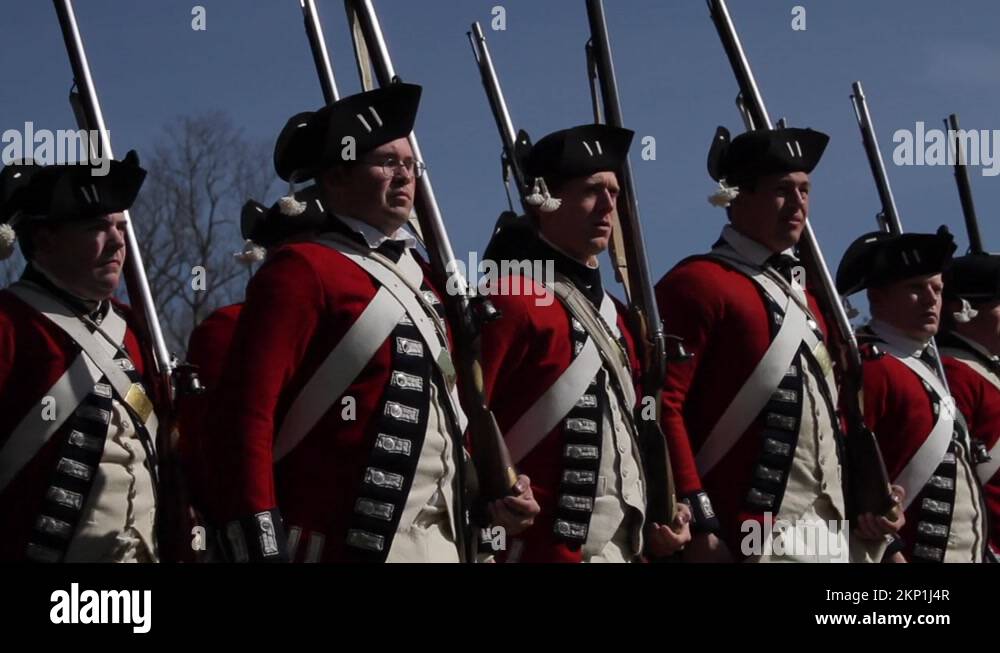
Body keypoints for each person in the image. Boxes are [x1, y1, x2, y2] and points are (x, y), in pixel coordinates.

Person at [202, 83, 537, 562]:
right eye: (386, 162)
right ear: (336, 178)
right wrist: (259, 543)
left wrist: (495, 491)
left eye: (410, 164)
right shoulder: (304, 269)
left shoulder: (426, 282)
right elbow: (245, 416)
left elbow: (450, 420)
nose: (404, 176)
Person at [656, 126, 901, 562]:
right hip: (751, 534)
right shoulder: (698, 283)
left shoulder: (809, 298)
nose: (798, 204)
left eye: (805, 190)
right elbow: (663, 406)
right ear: (737, 197)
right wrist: (700, 520)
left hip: (831, 533)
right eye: (781, 191)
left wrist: (871, 509)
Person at [478, 123, 691, 562]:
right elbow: (467, 415)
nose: (609, 206)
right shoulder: (509, 298)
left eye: (614, 192)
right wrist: (488, 503)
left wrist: (667, 511)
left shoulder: (622, 317)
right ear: (546, 200)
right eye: (592, 191)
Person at [0, 151, 164, 562]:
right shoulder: (8, 323)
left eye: (121, 226)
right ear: (45, 238)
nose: (117, 241)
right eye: (96, 226)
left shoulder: (136, 331)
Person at [837, 227, 988, 562]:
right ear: (877, 297)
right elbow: (845, 467)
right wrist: (888, 546)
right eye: (915, 288)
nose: (931, 299)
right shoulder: (871, 367)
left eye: (936, 288)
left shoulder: (928, 368)